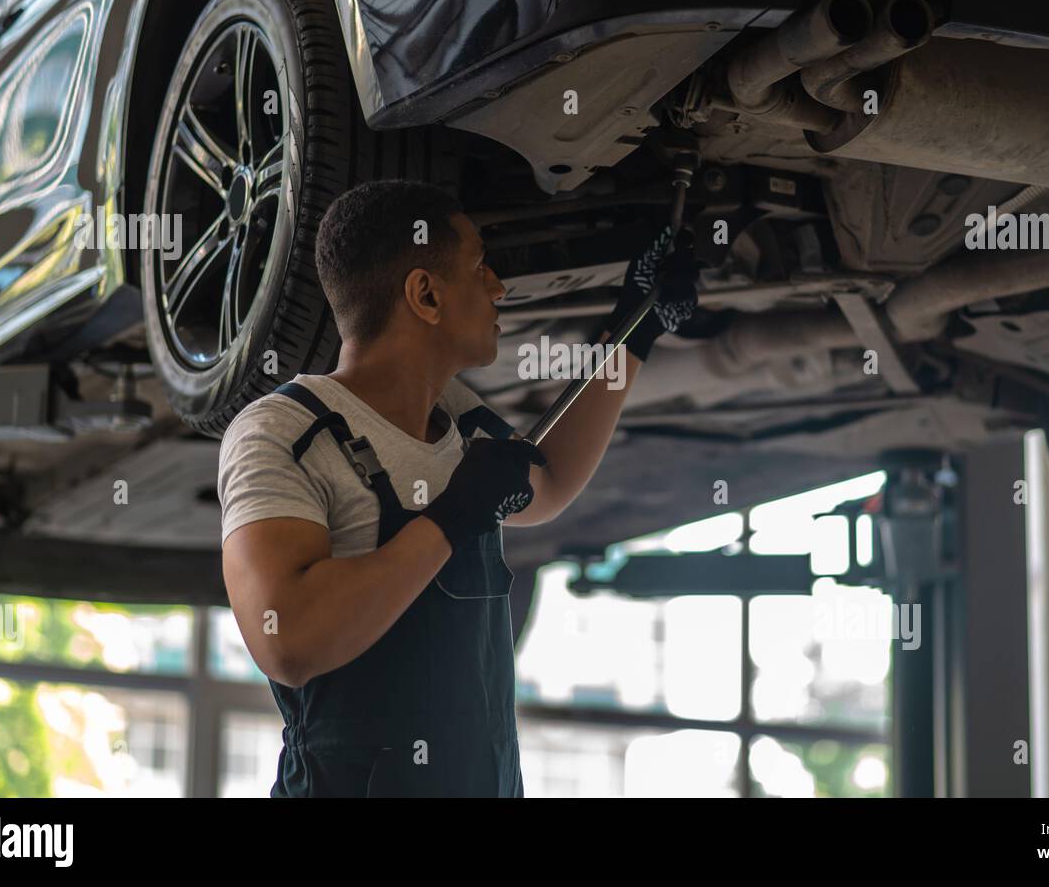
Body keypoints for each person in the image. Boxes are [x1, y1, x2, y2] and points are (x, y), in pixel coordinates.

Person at [218, 179, 699, 796]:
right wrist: (449, 519)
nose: (497, 286)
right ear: (424, 294)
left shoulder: (451, 415)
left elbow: (546, 482)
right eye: (479, 266)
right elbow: (288, 638)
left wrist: (639, 324)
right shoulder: (283, 429)